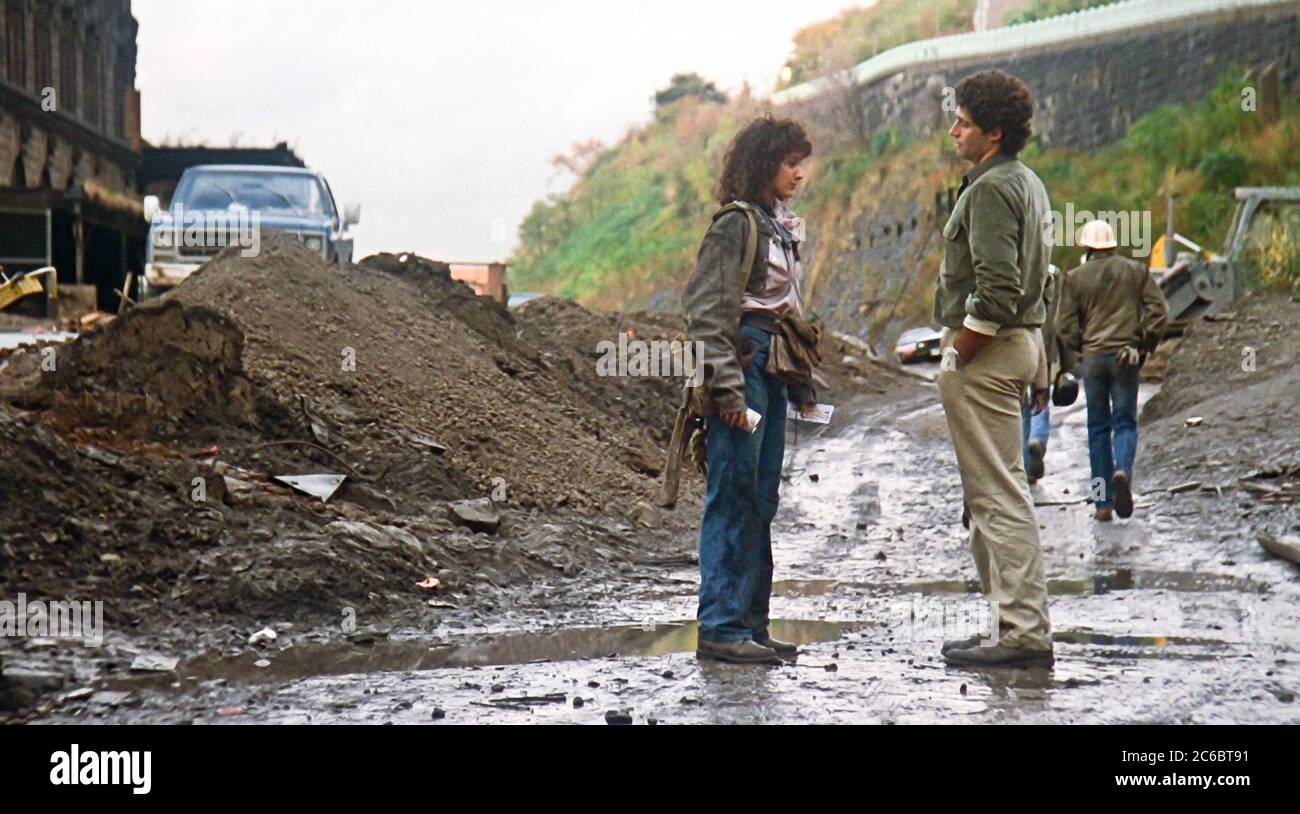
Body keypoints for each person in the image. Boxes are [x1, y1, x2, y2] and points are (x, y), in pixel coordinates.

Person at [682, 116, 817, 665]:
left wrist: (804, 384)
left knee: (761, 498)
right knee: (733, 494)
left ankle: (751, 625)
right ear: (764, 165)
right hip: (745, 367)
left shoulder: (780, 226)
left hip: (774, 369)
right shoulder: (736, 226)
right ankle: (720, 627)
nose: (799, 174)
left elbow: (791, 313)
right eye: (790, 163)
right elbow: (707, 314)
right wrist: (729, 394)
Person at [934, 70, 1055, 669]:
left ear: (994, 133)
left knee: (997, 496)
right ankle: (1010, 623)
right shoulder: (1027, 183)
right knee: (998, 491)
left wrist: (960, 351)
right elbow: (1043, 281)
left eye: (964, 123)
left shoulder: (987, 190)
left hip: (991, 349)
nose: (953, 130)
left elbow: (999, 289)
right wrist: (1040, 362)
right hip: (1020, 345)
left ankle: (1022, 632)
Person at [1055, 219, 1169, 522]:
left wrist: (1082, 346)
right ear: (1113, 243)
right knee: (1125, 423)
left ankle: (1102, 503)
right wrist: (1144, 343)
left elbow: (1063, 325)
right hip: (1125, 357)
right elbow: (1159, 312)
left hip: (1093, 359)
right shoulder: (1135, 271)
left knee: (1097, 430)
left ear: (1087, 246)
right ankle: (1122, 472)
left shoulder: (1075, 278)